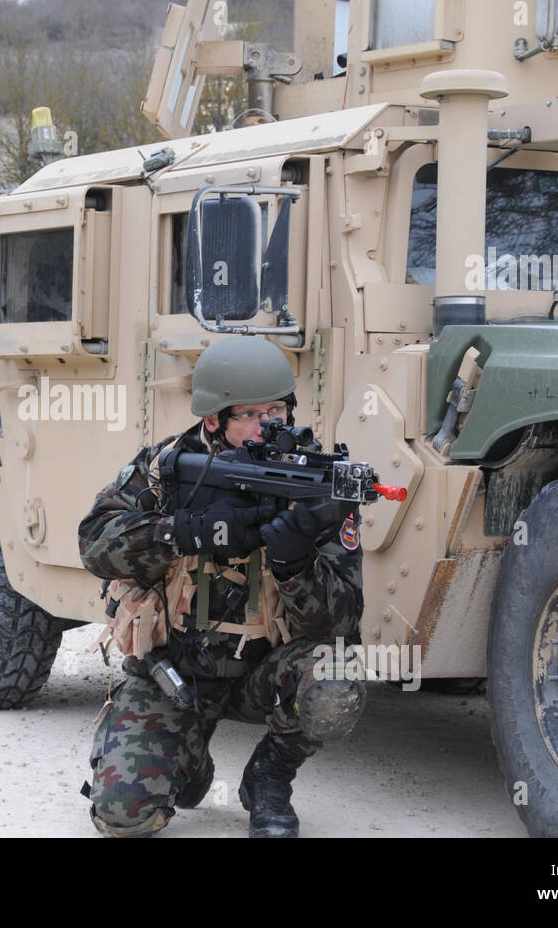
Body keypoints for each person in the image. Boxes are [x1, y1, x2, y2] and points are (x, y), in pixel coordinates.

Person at [78, 336, 365, 837]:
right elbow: (94, 546)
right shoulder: (166, 467)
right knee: (123, 817)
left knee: (338, 673)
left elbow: (342, 622)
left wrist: (295, 564)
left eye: (276, 410)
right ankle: (188, 761)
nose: (266, 425)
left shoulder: (315, 484)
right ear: (213, 420)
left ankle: (268, 778)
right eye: (249, 414)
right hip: (174, 670)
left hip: (265, 671)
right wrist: (183, 531)